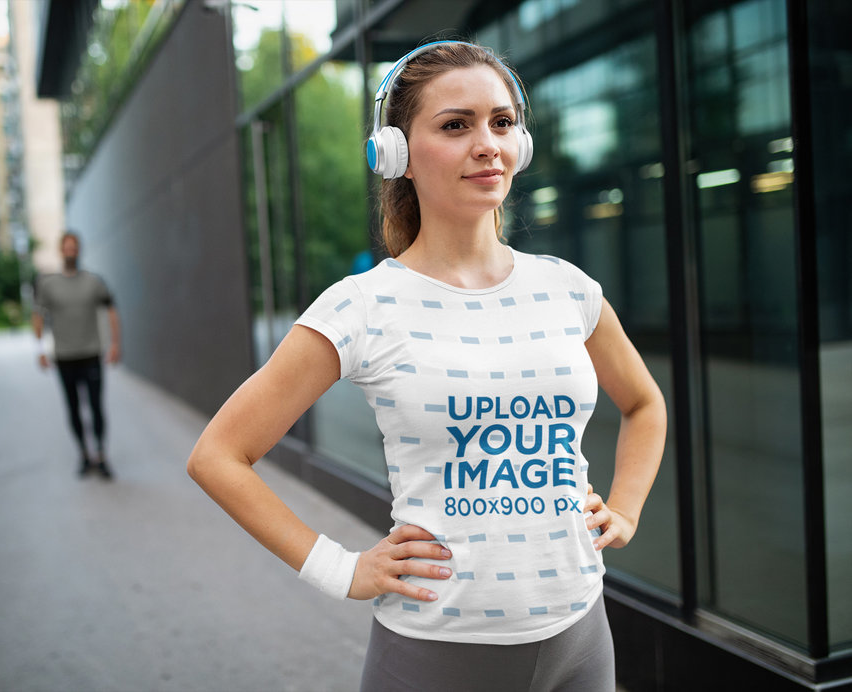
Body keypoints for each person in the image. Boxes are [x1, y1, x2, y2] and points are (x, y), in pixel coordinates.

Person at [188, 40, 666, 691]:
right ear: (396, 153)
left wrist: (627, 509)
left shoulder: (568, 289)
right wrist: (341, 568)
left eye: (501, 122)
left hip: (582, 638)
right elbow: (218, 454)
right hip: (436, 652)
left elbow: (644, 405)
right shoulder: (363, 306)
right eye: (455, 125)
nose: (487, 143)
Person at [33, 231, 121, 479]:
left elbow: (111, 309)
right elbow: (38, 316)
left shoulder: (94, 281)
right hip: (64, 357)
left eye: (74, 247)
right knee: (73, 409)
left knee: (96, 407)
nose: (70, 250)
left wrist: (115, 344)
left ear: (79, 250)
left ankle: (101, 455)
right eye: (66, 247)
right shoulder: (48, 284)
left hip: (91, 354)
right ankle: (84, 454)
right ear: (61, 250)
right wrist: (40, 349)